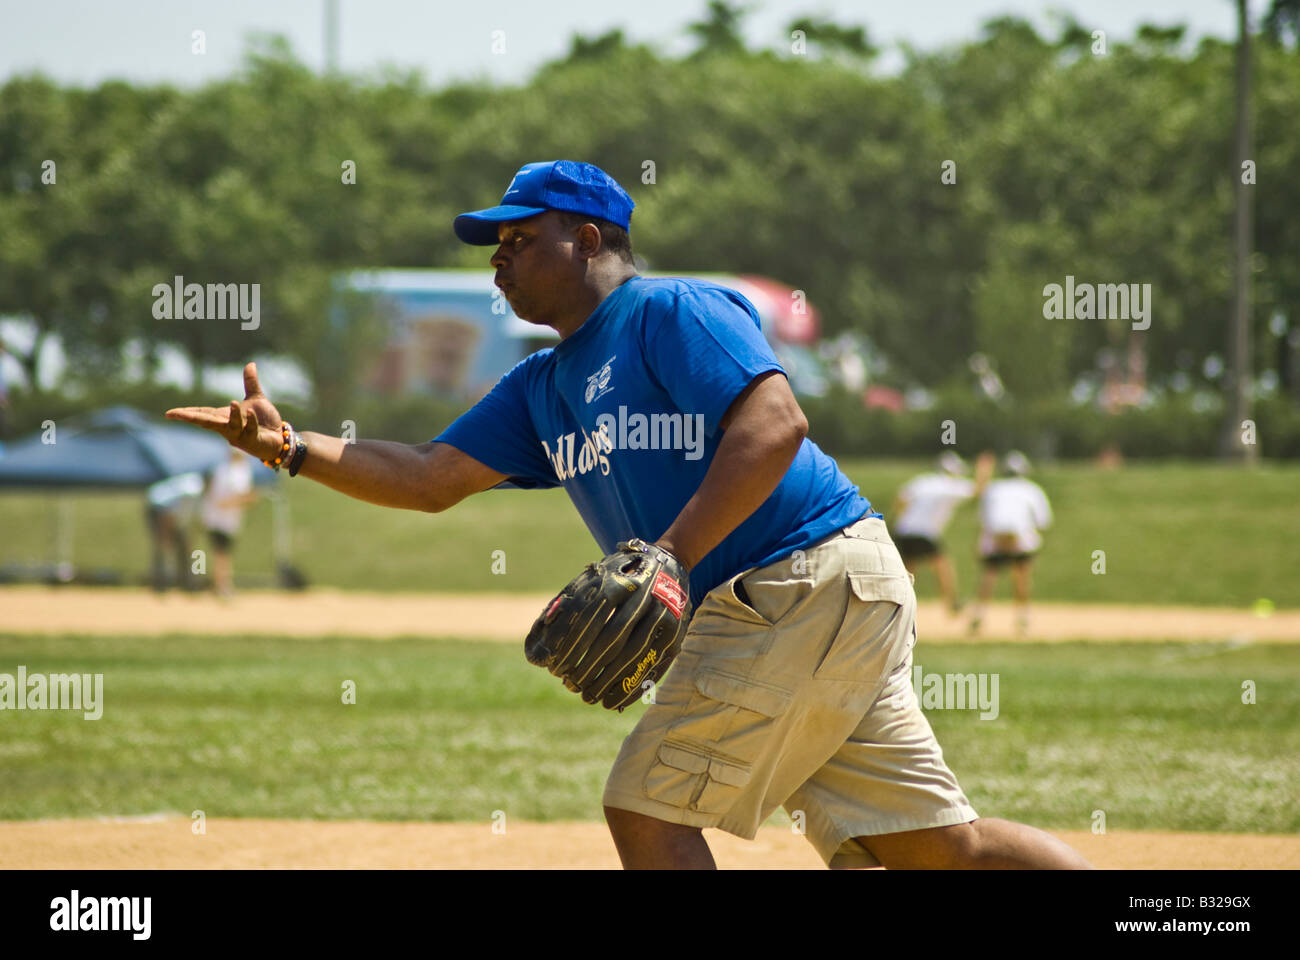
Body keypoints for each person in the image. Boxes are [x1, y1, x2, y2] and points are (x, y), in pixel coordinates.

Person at [166, 160, 1089, 870]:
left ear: (592, 237)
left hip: (799, 577)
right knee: (936, 852)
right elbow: (428, 474)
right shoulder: (542, 386)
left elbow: (775, 424)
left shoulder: (667, 312)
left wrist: (672, 558)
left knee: (645, 808)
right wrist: (289, 448)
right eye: (495, 245)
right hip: (808, 597)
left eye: (520, 238)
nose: (499, 258)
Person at [890, 450, 993, 615]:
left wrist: (897, 520)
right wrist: (984, 468)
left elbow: (901, 499)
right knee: (943, 565)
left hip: (904, 530)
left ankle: (898, 605)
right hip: (925, 533)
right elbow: (978, 491)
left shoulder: (922, 481)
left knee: (907, 571)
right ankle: (951, 603)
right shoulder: (950, 486)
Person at [967, 451, 1053, 638]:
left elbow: (983, 519)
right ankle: (1022, 619)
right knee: (1022, 576)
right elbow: (1043, 521)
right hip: (1019, 539)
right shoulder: (1032, 489)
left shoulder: (992, 488)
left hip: (994, 538)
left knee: (989, 577)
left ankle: (978, 616)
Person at [201, 448, 258, 599]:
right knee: (222, 553)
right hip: (220, 519)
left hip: (227, 519)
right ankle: (222, 585)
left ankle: (219, 584)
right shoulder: (230, 472)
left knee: (222, 554)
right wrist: (246, 499)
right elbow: (226, 499)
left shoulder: (234, 470)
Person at [144, 471, 204, 592]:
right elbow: (168, 515)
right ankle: (161, 583)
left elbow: (187, 517)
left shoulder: (194, 491)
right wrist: (167, 534)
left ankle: (187, 583)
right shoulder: (188, 494)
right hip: (159, 512)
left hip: (170, 514)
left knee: (184, 547)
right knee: (164, 546)